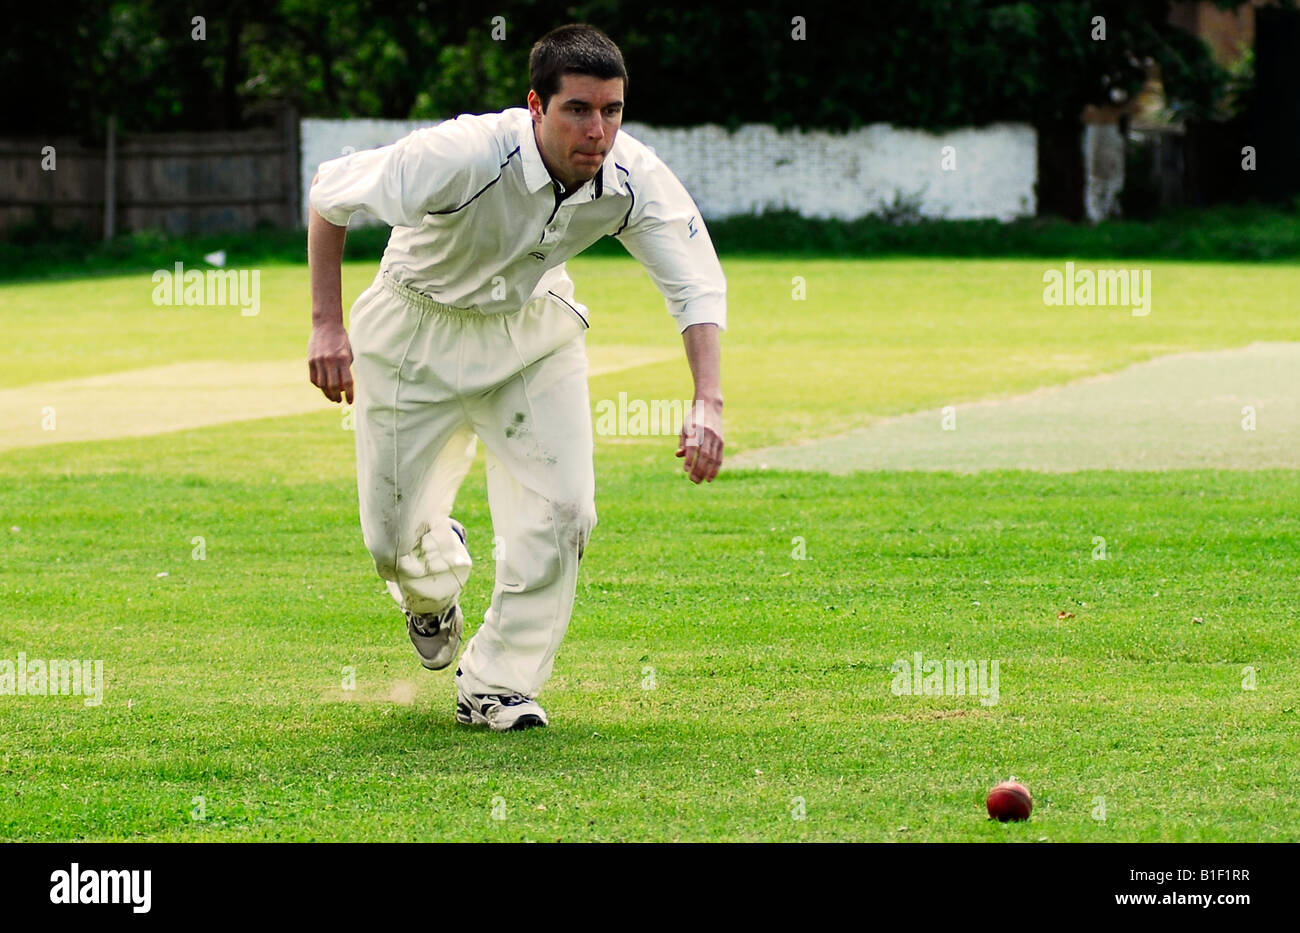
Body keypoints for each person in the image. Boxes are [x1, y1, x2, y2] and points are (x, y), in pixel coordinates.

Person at [306, 23, 725, 731]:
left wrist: (707, 401)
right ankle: (433, 582)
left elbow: (693, 284)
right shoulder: (460, 155)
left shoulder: (631, 176)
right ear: (536, 105)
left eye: (613, 111)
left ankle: (497, 684)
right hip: (415, 331)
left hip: (533, 334)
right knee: (389, 539)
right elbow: (329, 196)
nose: (598, 131)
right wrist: (326, 324)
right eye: (578, 110)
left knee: (566, 512)